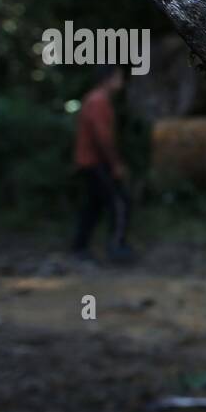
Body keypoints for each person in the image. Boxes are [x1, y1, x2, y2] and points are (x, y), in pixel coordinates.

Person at [71, 65, 134, 263]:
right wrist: (115, 164)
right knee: (120, 202)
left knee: (94, 205)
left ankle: (79, 247)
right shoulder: (98, 101)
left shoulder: (97, 99)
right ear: (108, 78)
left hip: (90, 162)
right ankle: (117, 247)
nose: (121, 82)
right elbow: (102, 137)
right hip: (95, 162)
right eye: (118, 77)